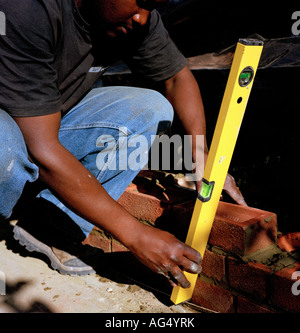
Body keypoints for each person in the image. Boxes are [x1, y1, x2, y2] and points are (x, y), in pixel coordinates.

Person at [0, 0, 246, 289]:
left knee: (150, 109)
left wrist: (199, 152)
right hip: (16, 130)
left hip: (44, 123)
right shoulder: (25, 11)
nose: (143, 17)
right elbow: (42, 150)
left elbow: (177, 78)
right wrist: (137, 235)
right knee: (7, 145)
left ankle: (50, 227)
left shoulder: (135, 18)